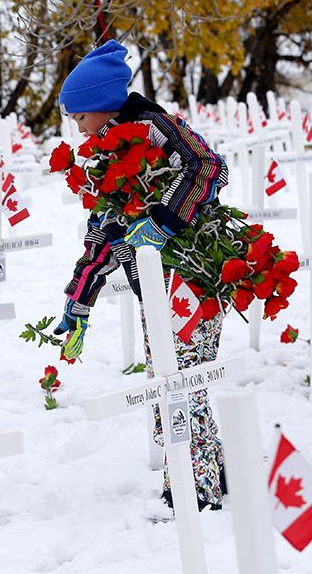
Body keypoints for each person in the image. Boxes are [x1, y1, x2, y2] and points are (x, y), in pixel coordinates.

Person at [53, 39, 229, 512]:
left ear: (102, 105)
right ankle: (208, 472)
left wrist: (164, 221)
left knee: (184, 380)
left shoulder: (155, 127)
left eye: (80, 118)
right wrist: (80, 298)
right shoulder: (107, 156)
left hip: (192, 280)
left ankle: (194, 496)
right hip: (152, 288)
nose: (79, 129)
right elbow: (105, 230)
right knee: (172, 381)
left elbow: (210, 166)